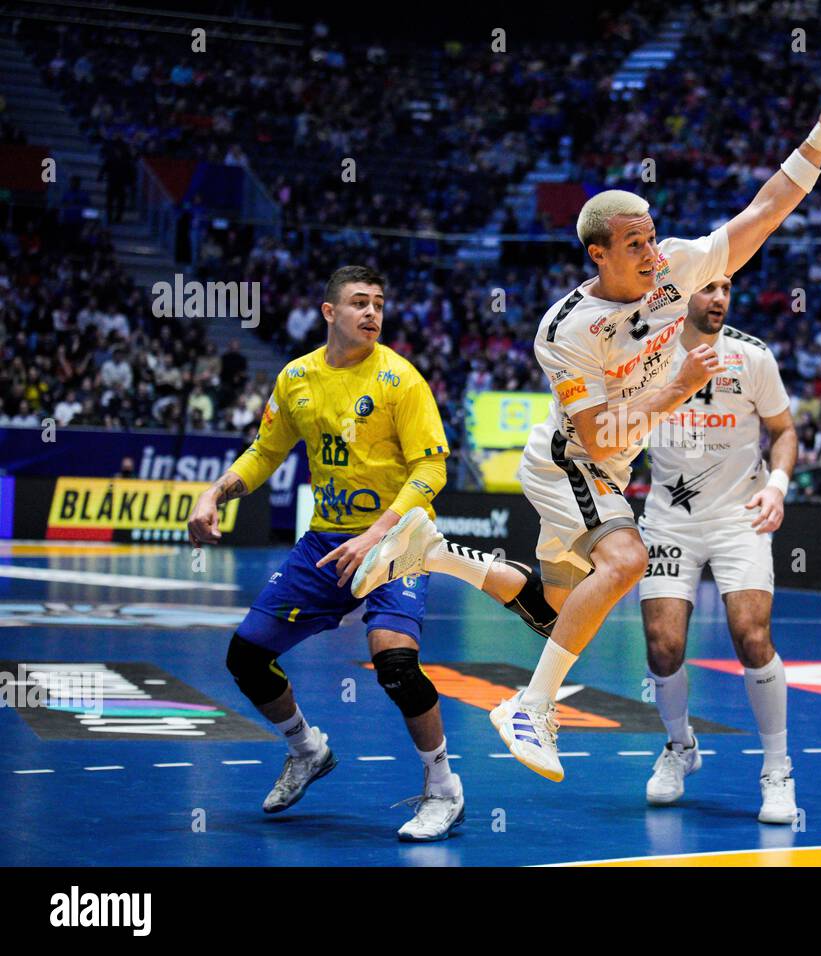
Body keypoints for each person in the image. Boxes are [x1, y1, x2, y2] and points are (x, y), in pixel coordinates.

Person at [354, 69, 821, 782]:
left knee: (554, 612)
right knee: (627, 562)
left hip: (608, 465)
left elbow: (765, 209)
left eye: (653, 236)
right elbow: (598, 440)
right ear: (598, 253)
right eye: (635, 243)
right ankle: (531, 707)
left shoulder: (677, 268)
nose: (652, 251)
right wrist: (677, 387)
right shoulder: (568, 330)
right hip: (574, 459)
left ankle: (433, 551)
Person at [184, 265, 550, 841]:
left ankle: (443, 790)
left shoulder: (400, 379)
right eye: (359, 303)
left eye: (379, 303)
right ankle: (306, 749)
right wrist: (215, 493)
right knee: (245, 658)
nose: (372, 313)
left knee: (396, 664)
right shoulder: (297, 378)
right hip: (326, 542)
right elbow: (264, 452)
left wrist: (378, 532)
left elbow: (432, 466)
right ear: (329, 312)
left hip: (398, 538)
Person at [637, 276, 799, 823]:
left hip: (740, 516)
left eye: (726, 288)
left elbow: (784, 430)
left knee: (752, 636)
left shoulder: (752, 356)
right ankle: (680, 747)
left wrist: (777, 486)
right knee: (663, 647)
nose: (720, 299)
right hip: (668, 519)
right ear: (676, 296)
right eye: (707, 288)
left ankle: (777, 769)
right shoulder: (642, 356)